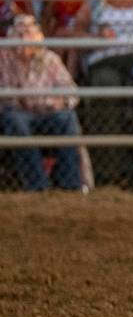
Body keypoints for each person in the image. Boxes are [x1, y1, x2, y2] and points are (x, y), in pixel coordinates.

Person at [0, 14, 84, 191]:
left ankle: (71, 186)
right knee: (15, 121)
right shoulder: (4, 58)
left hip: (48, 113)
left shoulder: (50, 59)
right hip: (19, 113)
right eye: (19, 34)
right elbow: (7, 96)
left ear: (38, 37)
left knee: (66, 119)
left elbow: (71, 92)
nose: (24, 40)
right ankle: (38, 187)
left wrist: (59, 101)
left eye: (29, 34)